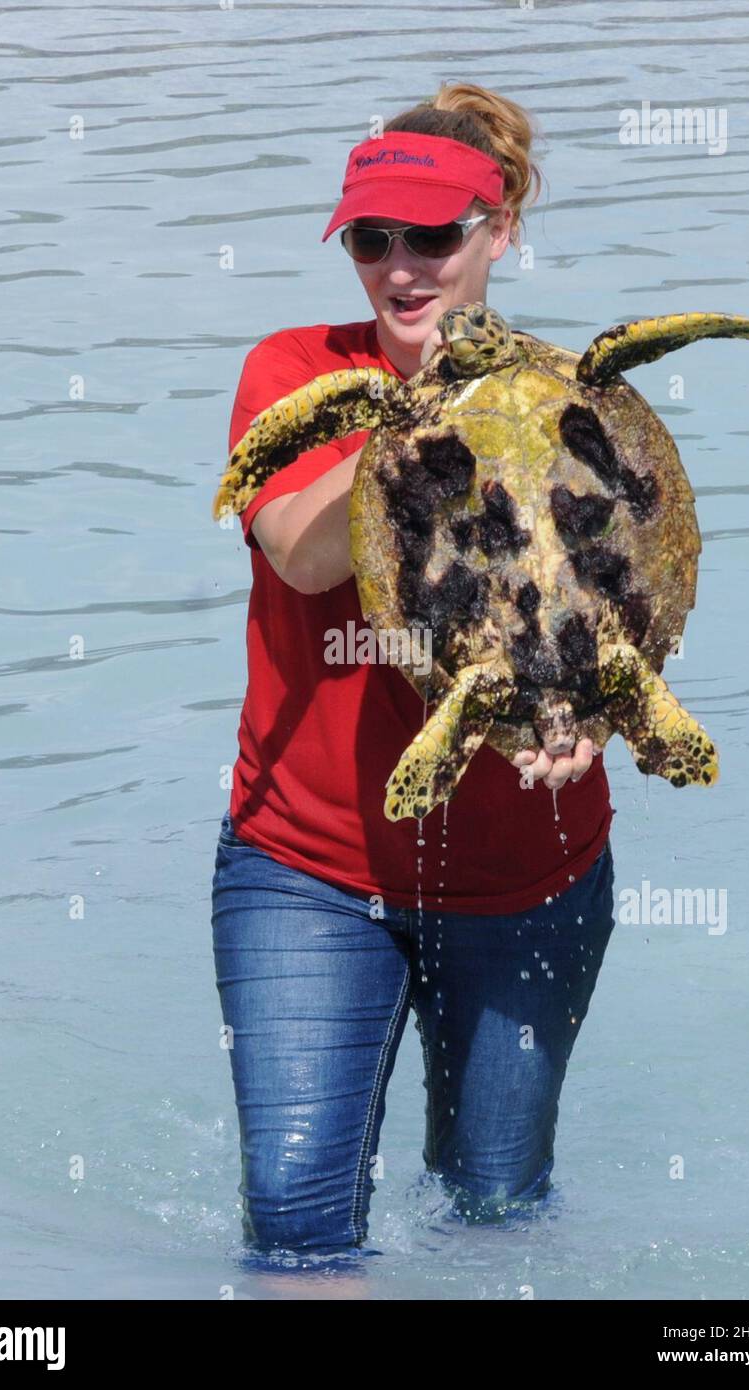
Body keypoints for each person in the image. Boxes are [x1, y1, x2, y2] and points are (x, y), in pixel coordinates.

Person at [211, 82, 616, 1272]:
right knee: (295, 1227)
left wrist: (583, 712)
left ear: (500, 232)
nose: (399, 265)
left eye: (433, 235)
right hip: (307, 867)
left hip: (526, 872)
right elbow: (298, 554)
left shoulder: (566, 404)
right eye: (371, 239)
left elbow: (600, 609)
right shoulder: (294, 375)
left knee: (492, 1218)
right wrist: (420, 414)